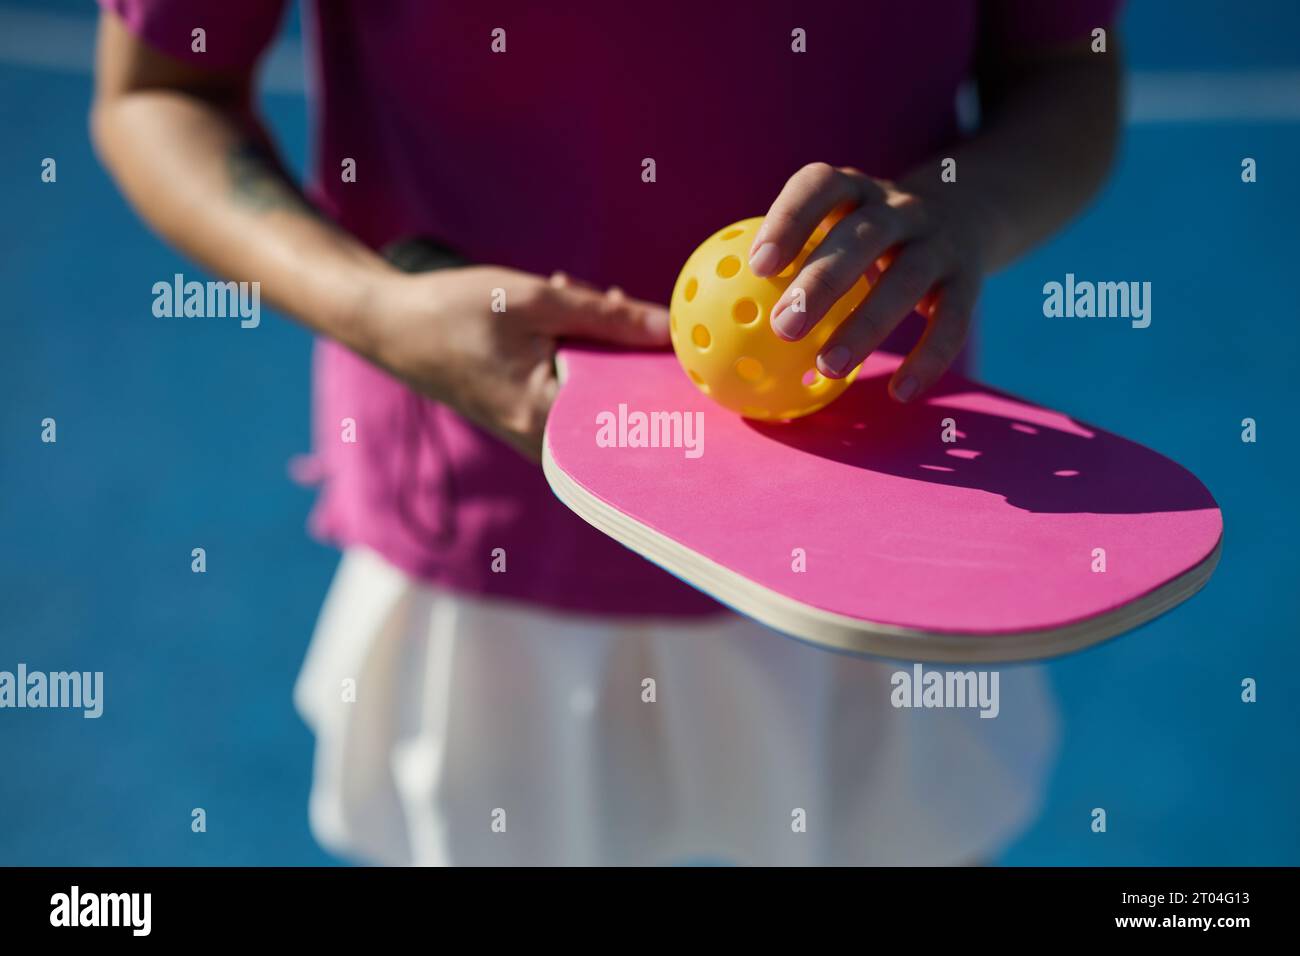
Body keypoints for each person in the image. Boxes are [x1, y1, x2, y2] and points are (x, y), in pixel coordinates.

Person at [92, 0, 1122, 865]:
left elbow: (1060, 69)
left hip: (877, 536)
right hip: (488, 525)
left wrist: (962, 207)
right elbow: (158, 93)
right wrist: (378, 312)